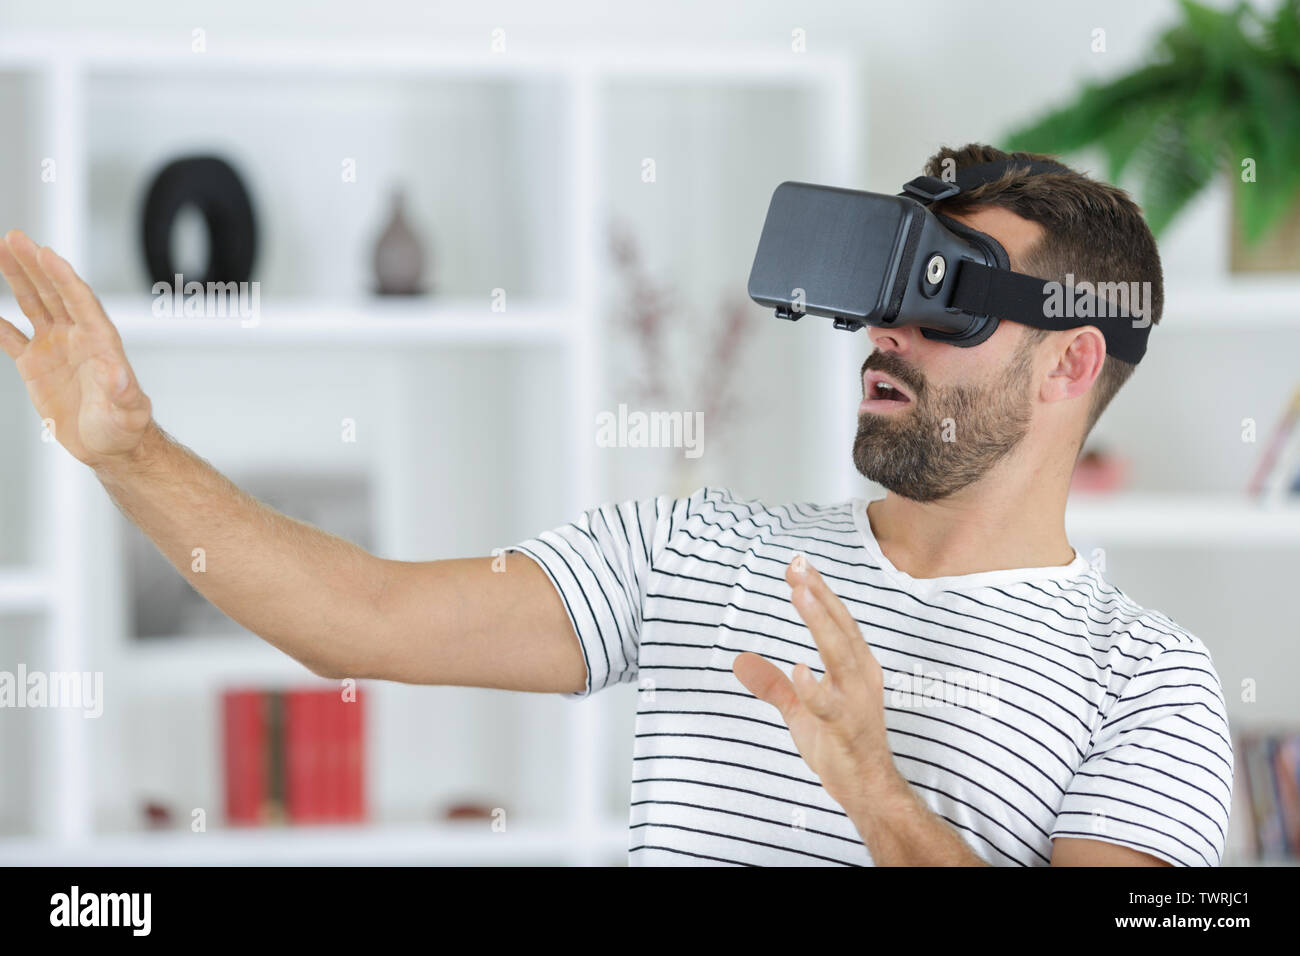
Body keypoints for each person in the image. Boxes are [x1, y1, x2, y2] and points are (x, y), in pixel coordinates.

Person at [0, 144, 1231, 867]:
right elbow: (359, 616)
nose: (883, 331)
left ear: (1072, 361)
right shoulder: (694, 548)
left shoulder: (1154, 684)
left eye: (943, 299)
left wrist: (882, 801)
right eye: (882, 287)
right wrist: (128, 448)